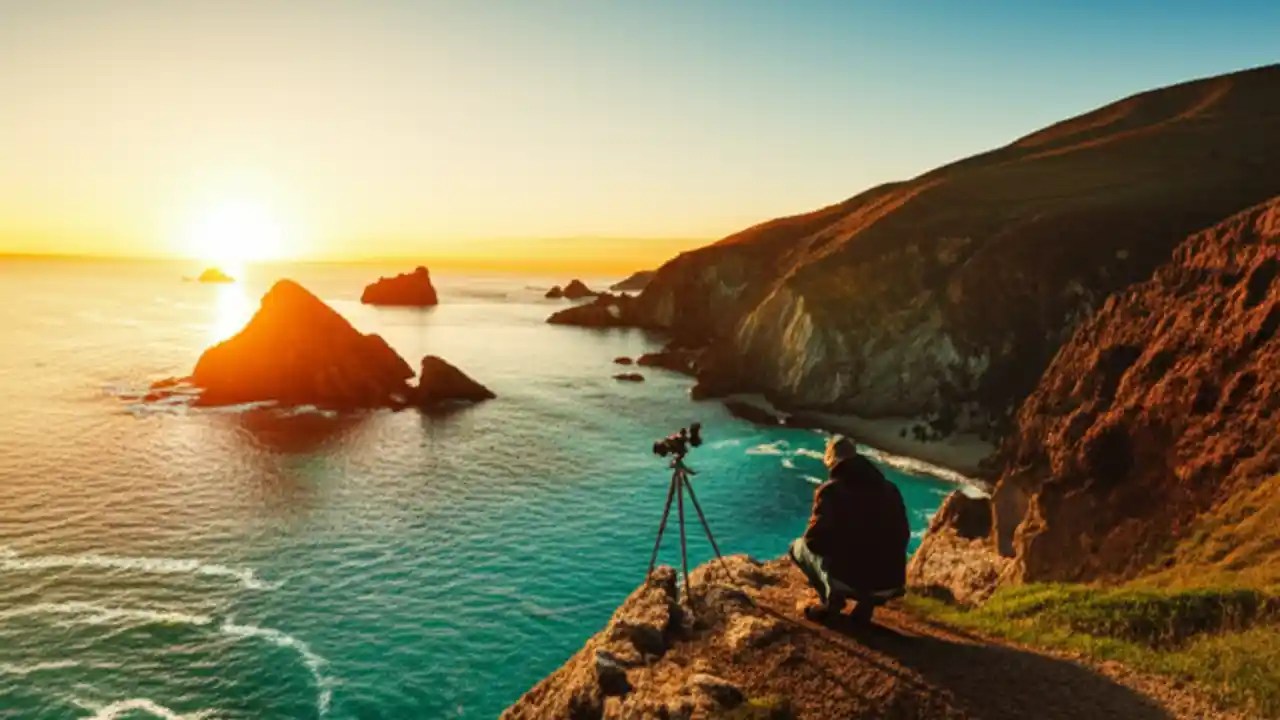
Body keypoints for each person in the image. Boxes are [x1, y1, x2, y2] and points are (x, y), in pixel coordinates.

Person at [789, 434, 910, 623]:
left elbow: (813, 540)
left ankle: (831, 601)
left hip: (849, 580)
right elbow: (903, 535)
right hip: (889, 583)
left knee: (798, 547)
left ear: (831, 460)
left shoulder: (830, 490)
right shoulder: (890, 489)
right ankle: (867, 605)